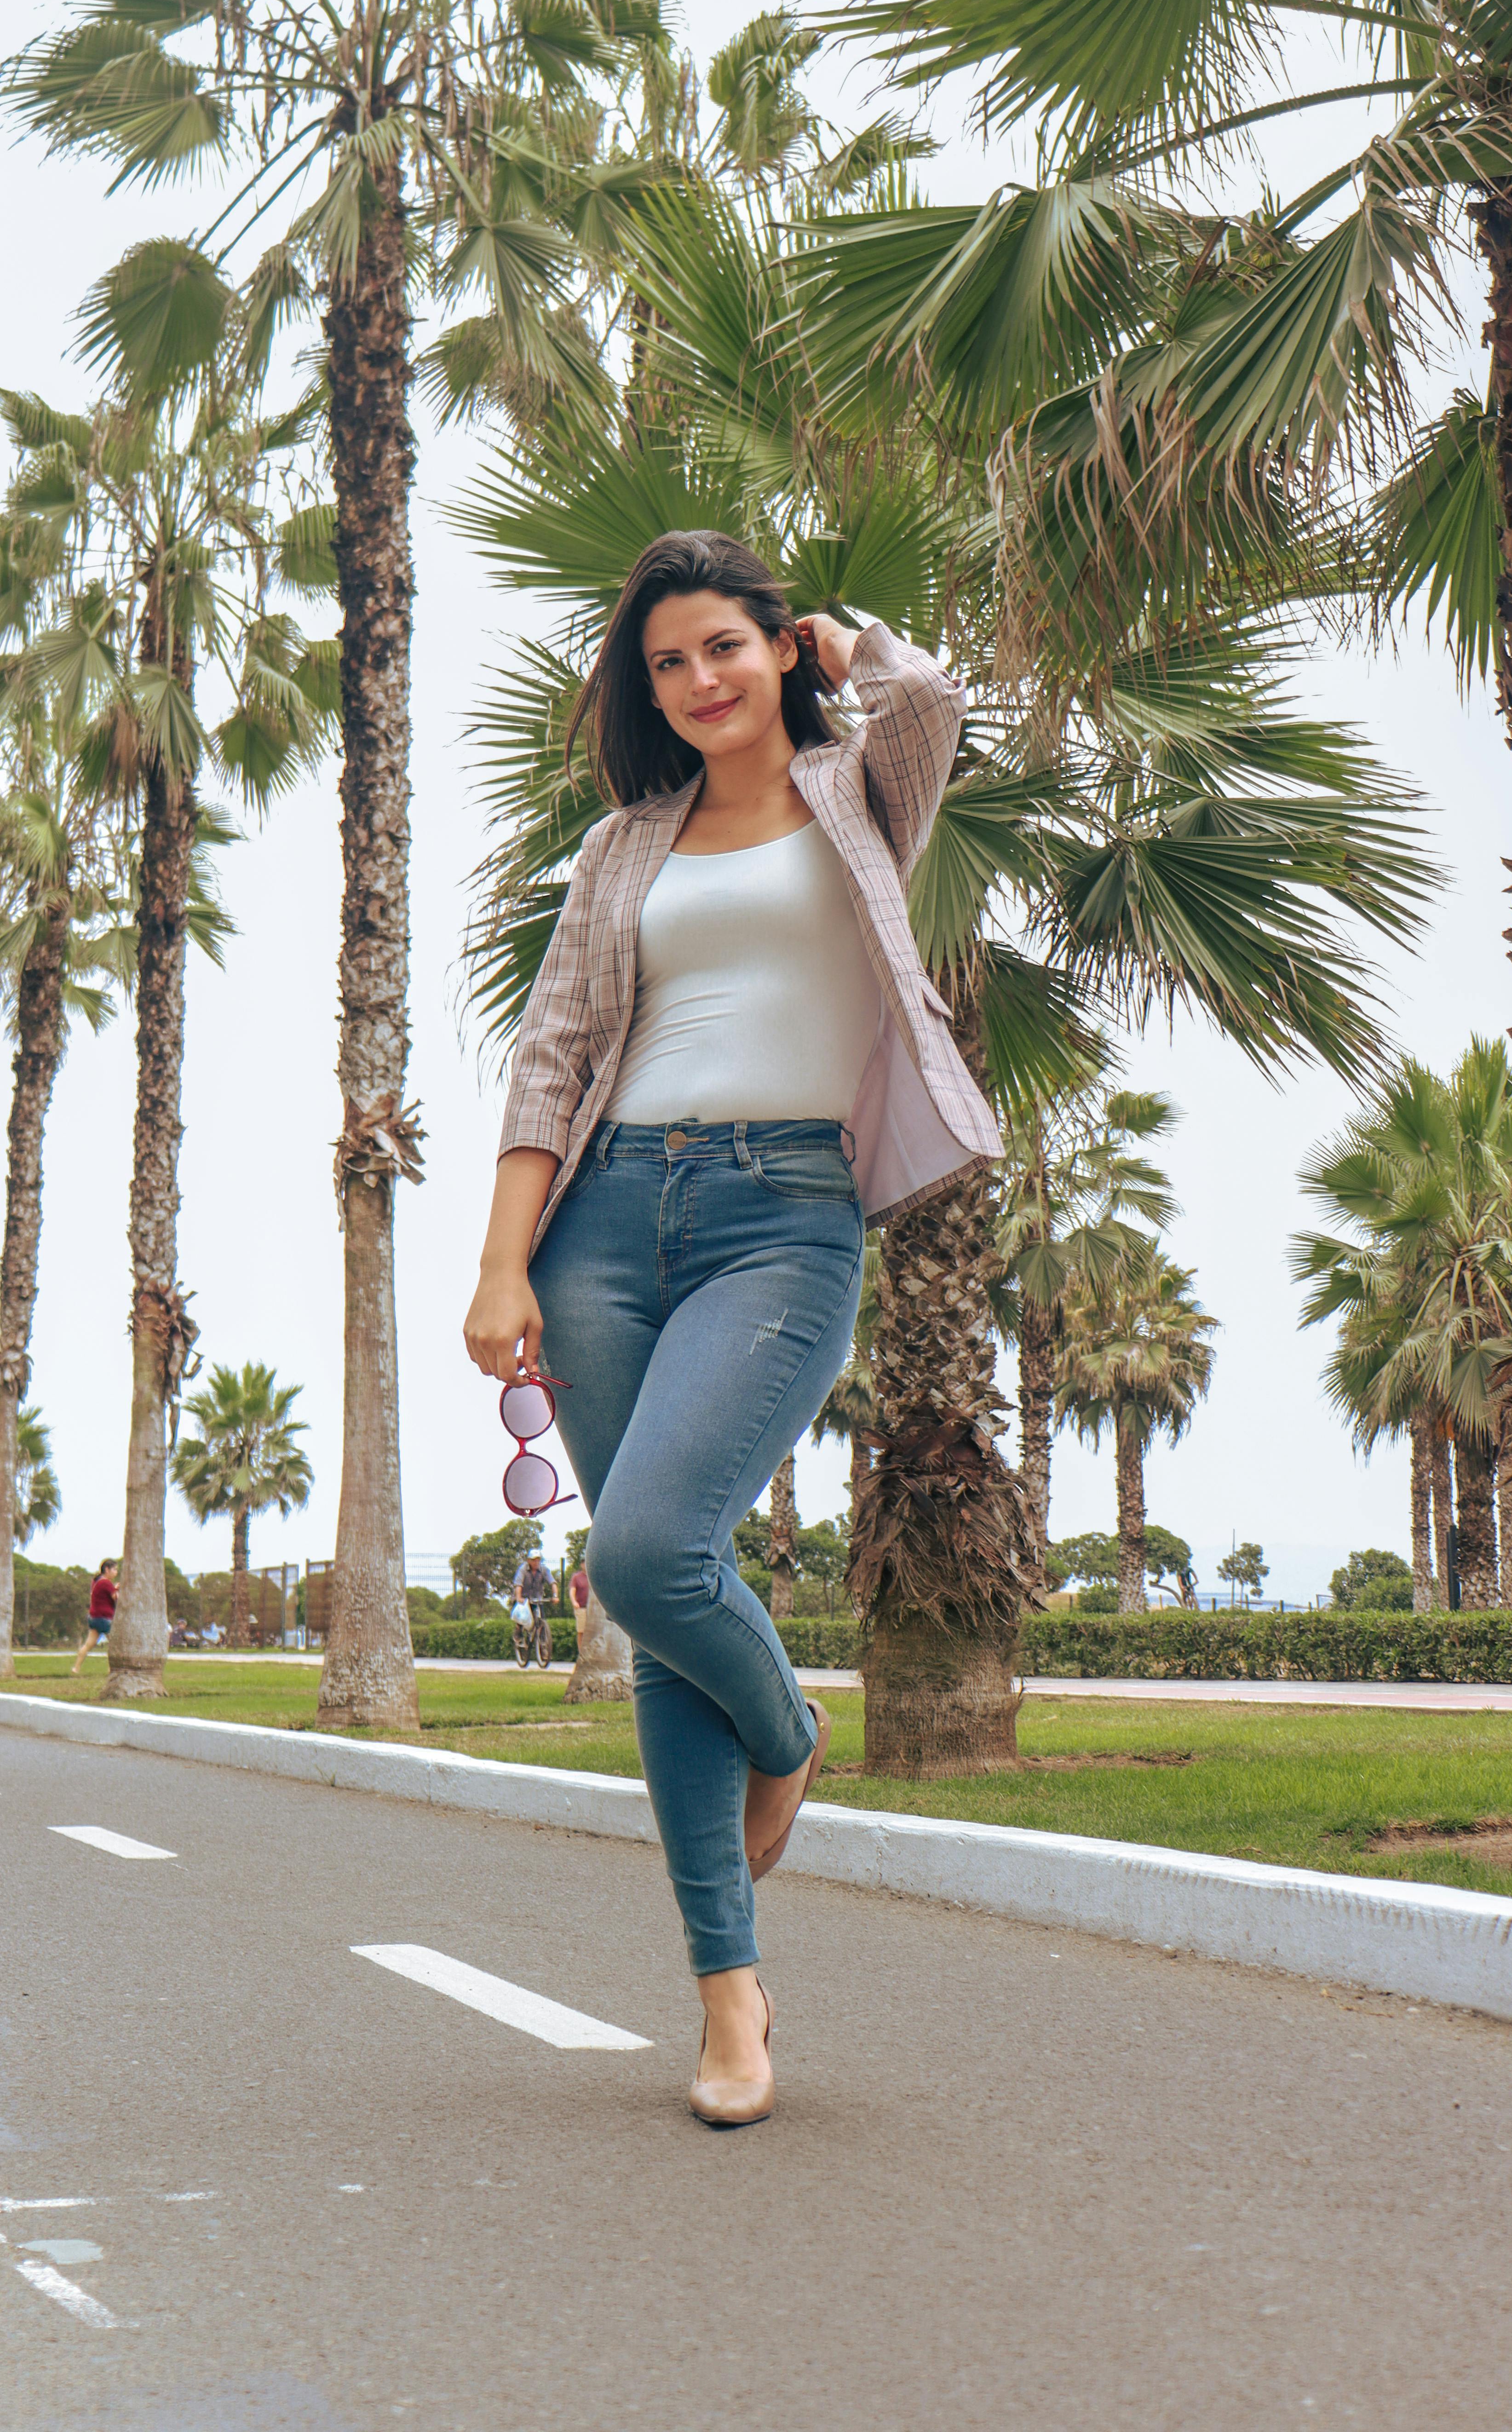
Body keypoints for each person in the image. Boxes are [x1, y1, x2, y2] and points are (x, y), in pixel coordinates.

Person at [463, 530, 998, 2127]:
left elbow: (936, 702)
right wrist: (504, 1269)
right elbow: (551, 1056)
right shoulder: (626, 848)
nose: (697, 682)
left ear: (777, 650)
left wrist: (849, 641)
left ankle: (790, 1729)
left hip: (786, 1213)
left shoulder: (863, 797)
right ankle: (728, 1999)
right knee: (654, 1616)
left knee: (646, 1555)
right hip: (607, 1225)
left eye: (724, 647)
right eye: (667, 662)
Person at [71, 1559, 118, 1674]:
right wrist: (117, 1589)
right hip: (104, 1618)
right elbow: (116, 1598)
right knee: (116, 1645)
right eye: (115, 1569)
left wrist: (115, 1587)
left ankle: (76, 1668)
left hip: (94, 1618)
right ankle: (111, 1670)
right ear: (107, 1570)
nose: (116, 1572)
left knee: (88, 1645)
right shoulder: (106, 1583)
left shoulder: (97, 1581)